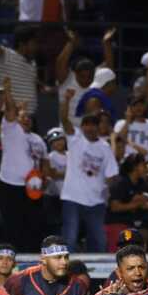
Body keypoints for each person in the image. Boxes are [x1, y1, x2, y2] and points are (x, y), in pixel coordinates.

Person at [60, 88, 119, 252]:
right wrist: (66, 100)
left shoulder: (105, 147)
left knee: (100, 242)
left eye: (93, 124)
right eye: (86, 124)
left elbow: (111, 174)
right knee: (70, 239)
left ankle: (98, 277)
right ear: (82, 126)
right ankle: (65, 274)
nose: (89, 128)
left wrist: (109, 184)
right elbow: (64, 119)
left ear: (98, 127)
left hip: (96, 202)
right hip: (73, 198)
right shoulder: (75, 139)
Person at [0, 78, 49, 252]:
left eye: (29, 117)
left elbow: (44, 162)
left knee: (34, 225)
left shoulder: (38, 139)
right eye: (22, 116)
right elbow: (10, 110)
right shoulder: (10, 128)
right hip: (10, 185)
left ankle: (33, 259)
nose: (26, 119)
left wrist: (45, 178)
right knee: (12, 226)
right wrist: (7, 92)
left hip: (32, 188)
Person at [0, 1, 40, 116]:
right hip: (11, 116)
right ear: (22, 44)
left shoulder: (33, 63)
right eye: (33, 43)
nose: (36, 47)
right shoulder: (5, 56)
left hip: (30, 119)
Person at [114, 95, 148, 161]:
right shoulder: (120, 123)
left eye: (141, 105)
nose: (138, 108)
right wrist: (127, 122)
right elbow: (117, 142)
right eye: (135, 105)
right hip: (125, 163)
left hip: (146, 163)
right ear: (129, 108)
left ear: (145, 107)